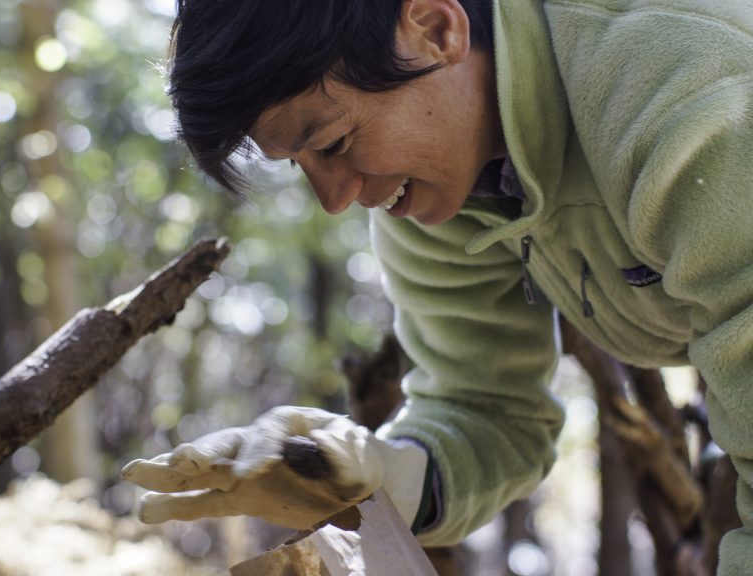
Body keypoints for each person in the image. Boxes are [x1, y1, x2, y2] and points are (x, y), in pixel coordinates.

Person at [120, 0, 753, 572]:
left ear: (436, 28)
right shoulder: (432, 181)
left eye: (335, 142)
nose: (335, 198)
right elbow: (486, 408)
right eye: (300, 165)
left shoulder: (682, 92)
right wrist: (378, 473)